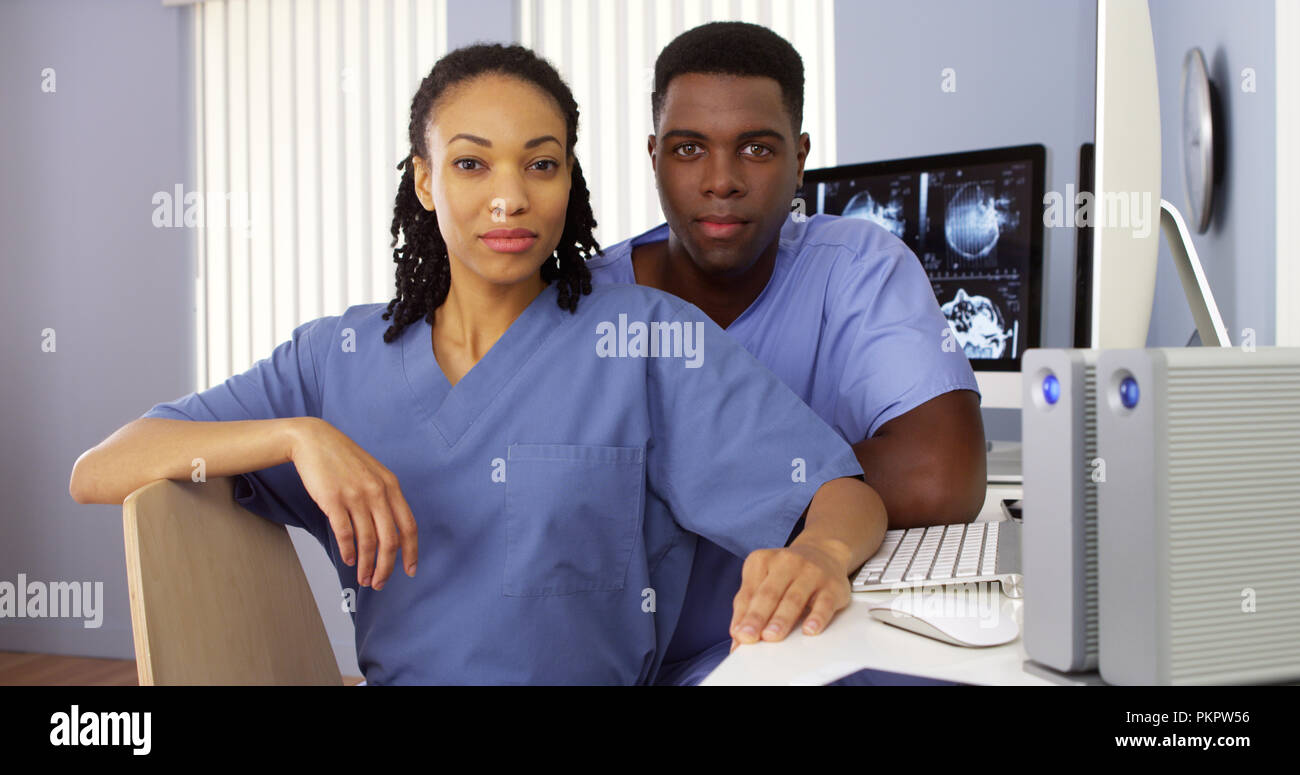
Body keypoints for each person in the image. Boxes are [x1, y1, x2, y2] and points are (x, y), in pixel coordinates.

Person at [69, 43, 887, 685]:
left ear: (570, 180)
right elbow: (101, 468)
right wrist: (298, 436)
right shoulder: (335, 361)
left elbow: (841, 494)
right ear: (424, 181)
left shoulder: (641, 340)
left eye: (541, 163)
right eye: (471, 163)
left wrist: (817, 555)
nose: (510, 197)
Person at [586, 22, 987, 682]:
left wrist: (699, 482)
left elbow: (940, 475)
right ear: (653, 154)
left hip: (798, 631)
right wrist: (802, 488)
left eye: (756, 148)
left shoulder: (855, 266)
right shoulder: (585, 304)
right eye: (689, 149)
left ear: (800, 157)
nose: (722, 181)